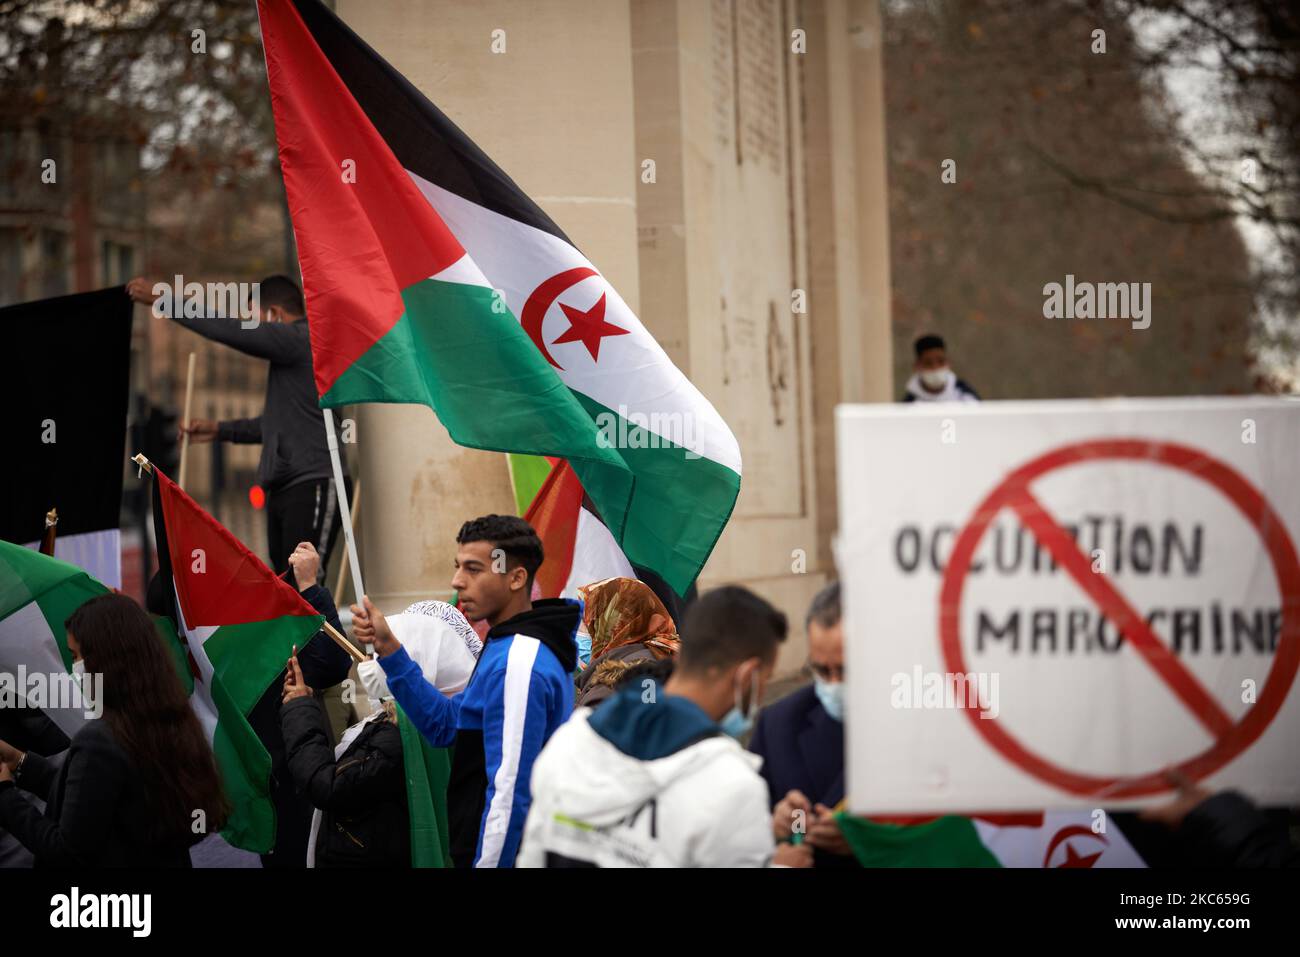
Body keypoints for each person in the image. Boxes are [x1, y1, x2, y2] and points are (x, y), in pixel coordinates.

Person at [517, 585, 812, 868]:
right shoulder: (732, 784)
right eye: (764, 681)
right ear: (748, 675)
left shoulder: (573, 739)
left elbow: (532, 856)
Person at [351, 515, 580, 868]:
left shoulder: (518, 659)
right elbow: (448, 726)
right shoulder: (508, 647)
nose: (457, 581)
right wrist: (391, 649)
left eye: (474, 569)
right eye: (458, 567)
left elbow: (509, 791)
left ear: (517, 577)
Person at [126, 274, 350, 577]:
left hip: (315, 481)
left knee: (305, 586)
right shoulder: (293, 362)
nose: (256, 328)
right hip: (286, 485)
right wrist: (219, 429)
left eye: (258, 321)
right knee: (286, 588)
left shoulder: (300, 339)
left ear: (276, 315)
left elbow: (230, 330)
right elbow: (273, 425)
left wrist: (164, 300)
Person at [147, 539, 353, 869]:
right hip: (266, 809)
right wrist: (311, 587)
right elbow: (334, 662)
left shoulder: (157, 670)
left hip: (231, 816)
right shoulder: (249, 650)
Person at [0, 594, 228, 866]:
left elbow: (67, 849)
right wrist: (21, 763)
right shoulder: (166, 721)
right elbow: (94, 800)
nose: (74, 669)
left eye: (75, 656)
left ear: (105, 658)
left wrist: (4, 795)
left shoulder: (100, 739)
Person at [280, 600, 481, 868]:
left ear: (416, 660)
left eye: (384, 654)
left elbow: (327, 786)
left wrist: (299, 709)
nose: (368, 663)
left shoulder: (398, 734)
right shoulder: (458, 717)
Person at [751, 581, 857, 867]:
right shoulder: (778, 724)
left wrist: (868, 840)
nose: (833, 684)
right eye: (822, 670)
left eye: (846, 670)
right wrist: (777, 824)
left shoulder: (921, 727)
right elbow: (747, 828)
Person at [573, 577, 680, 708]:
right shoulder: (667, 653)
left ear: (611, 622)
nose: (577, 631)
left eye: (585, 622)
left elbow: (593, 724)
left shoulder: (624, 672)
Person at [901, 333, 980, 403]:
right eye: (928, 363)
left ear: (948, 362)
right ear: (917, 366)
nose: (935, 367)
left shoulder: (966, 396)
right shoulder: (909, 405)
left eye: (941, 361)